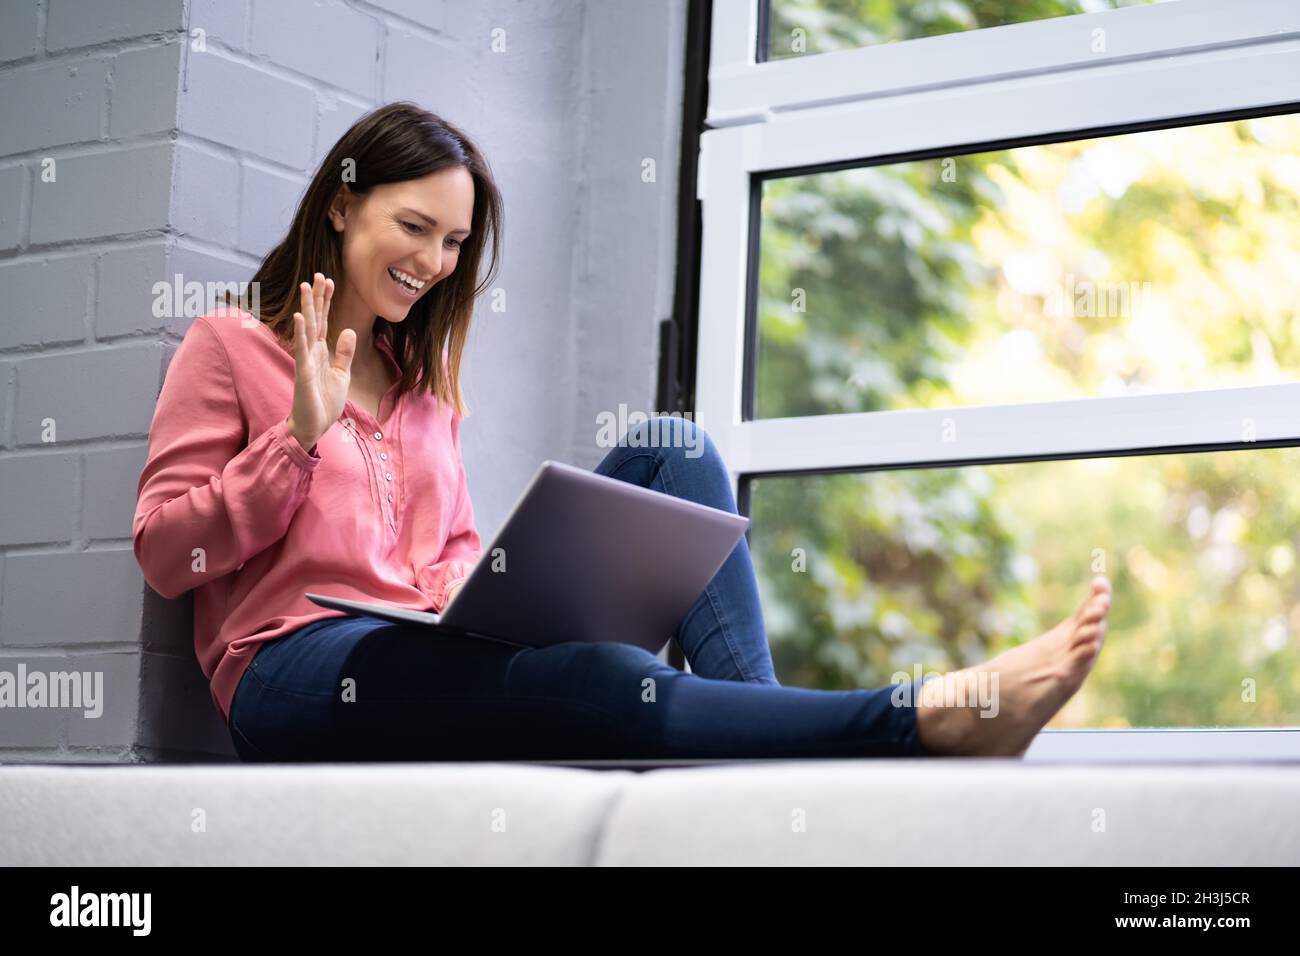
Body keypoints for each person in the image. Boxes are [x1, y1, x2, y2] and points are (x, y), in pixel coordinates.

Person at [133, 102, 1111, 763]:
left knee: (672, 447)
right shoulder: (230, 345)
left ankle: (759, 736)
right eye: (415, 225)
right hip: (293, 669)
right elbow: (169, 554)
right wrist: (294, 441)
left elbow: (447, 553)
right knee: (611, 679)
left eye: (456, 241)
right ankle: (919, 716)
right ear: (343, 204)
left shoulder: (423, 383)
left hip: (419, 646)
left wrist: (489, 595)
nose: (436, 260)